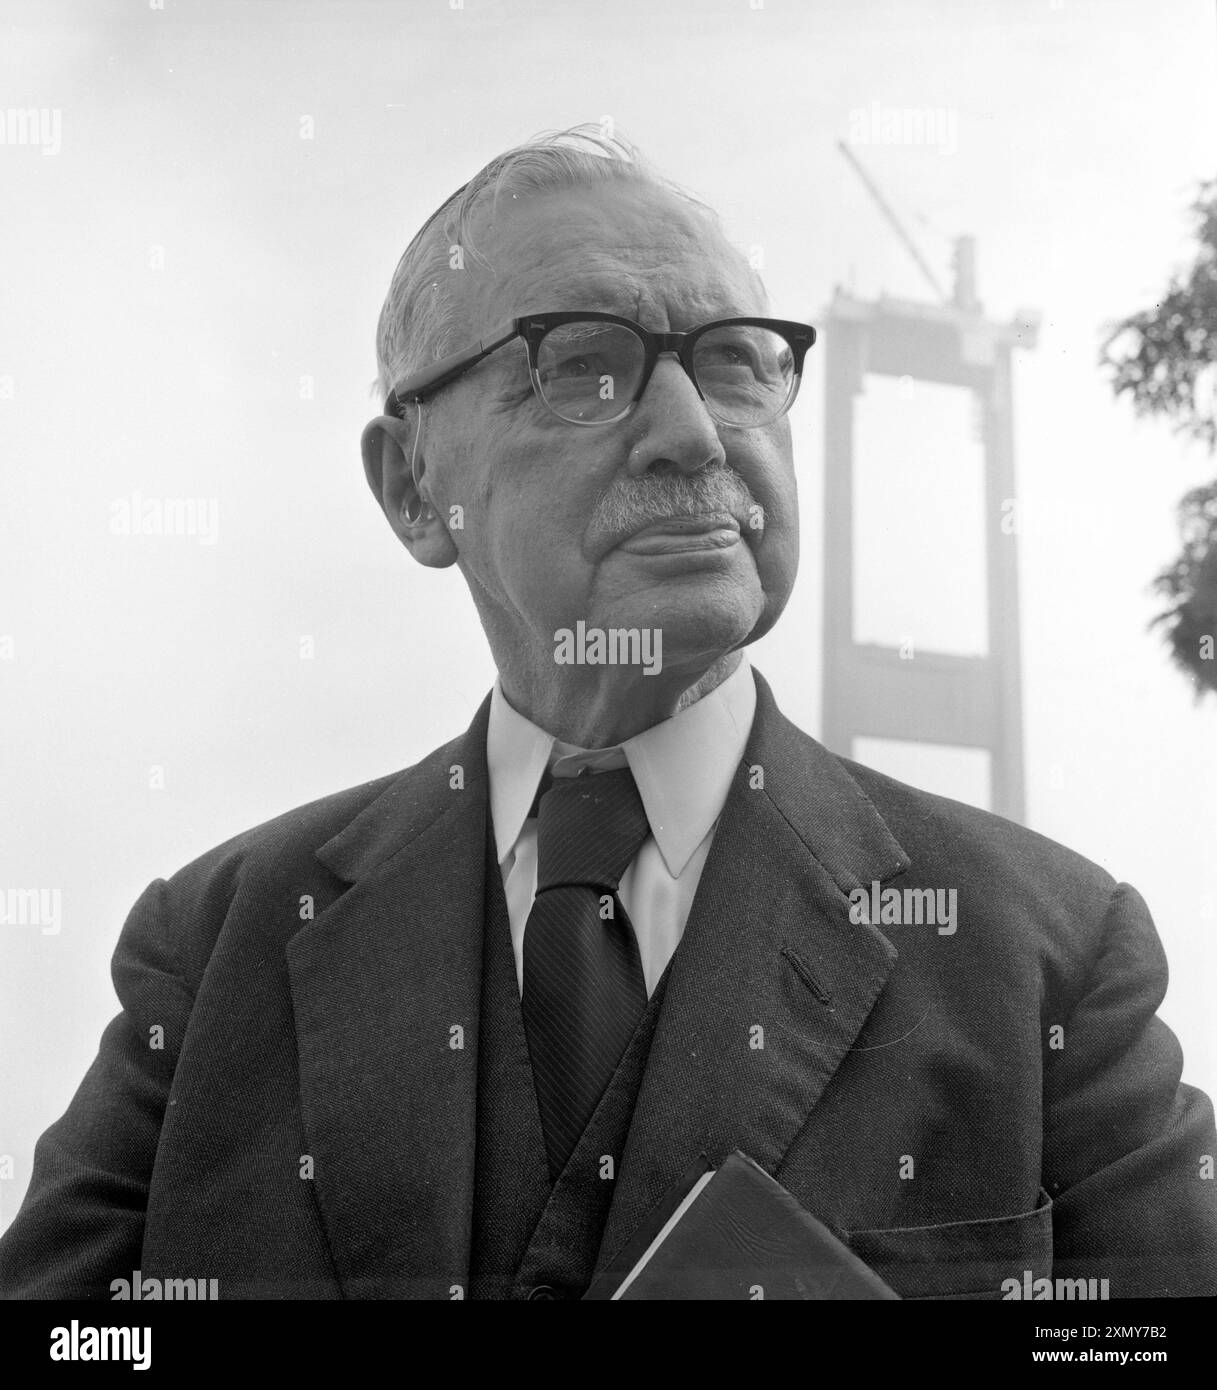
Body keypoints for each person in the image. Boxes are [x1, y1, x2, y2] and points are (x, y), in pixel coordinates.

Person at [2, 126, 1214, 1302]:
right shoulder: (213, 949)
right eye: (583, 362)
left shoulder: (1051, 960)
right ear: (412, 488)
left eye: (736, 360)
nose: (694, 433)